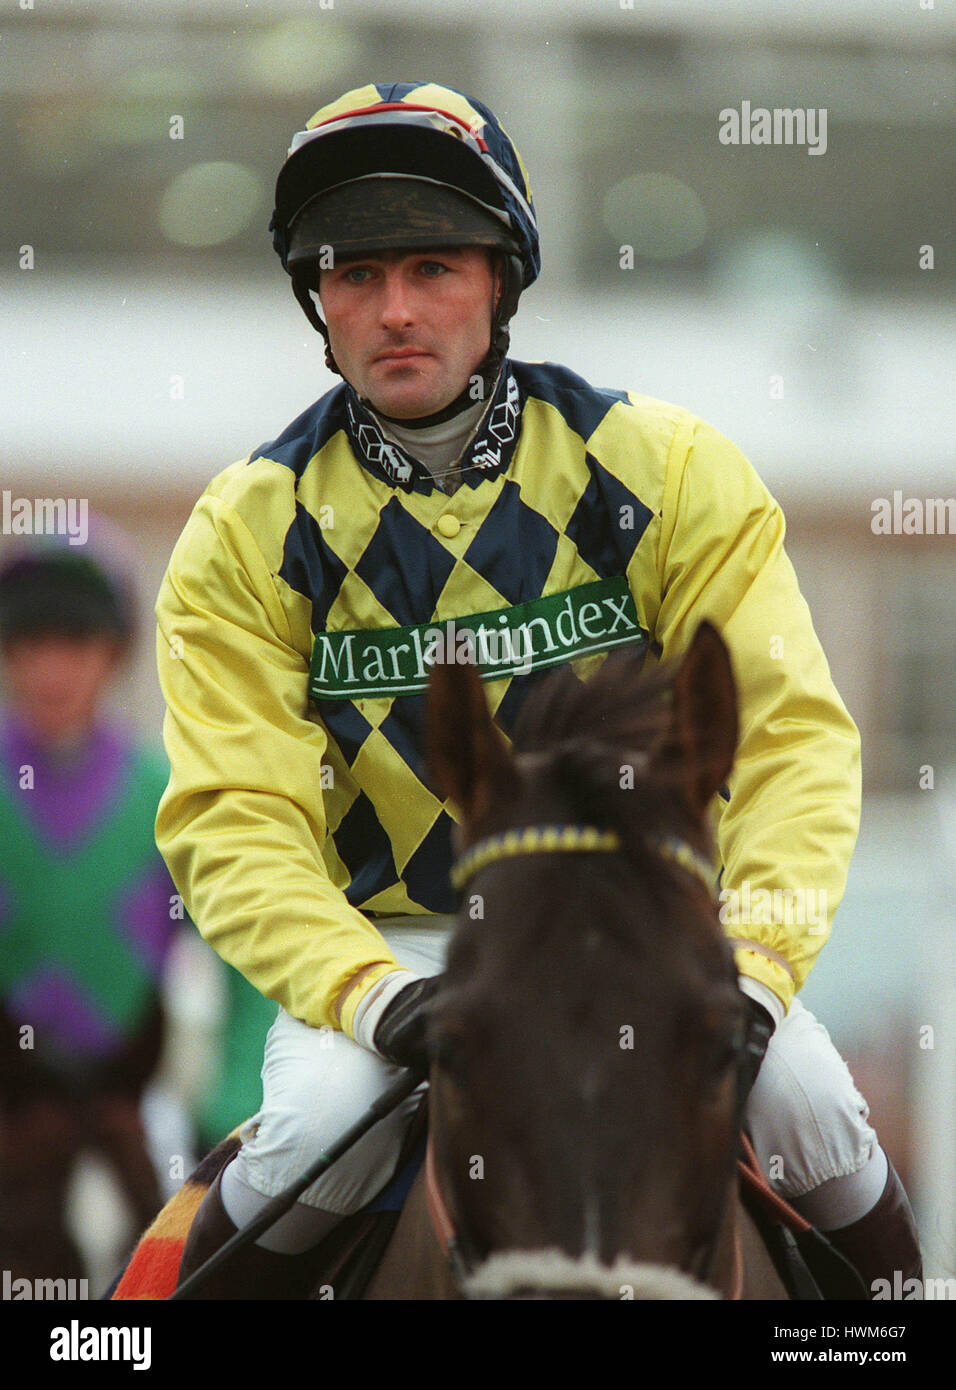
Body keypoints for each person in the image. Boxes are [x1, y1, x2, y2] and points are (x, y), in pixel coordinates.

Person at [160, 82, 920, 1297]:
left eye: (431, 266)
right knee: (310, 1138)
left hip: (653, 939)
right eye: (352, 275)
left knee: (818, 1115)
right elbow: (233, 818)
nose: (393, 309)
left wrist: (755, 965)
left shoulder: (665, 470)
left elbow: (787, 742)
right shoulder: (248, 532)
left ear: (501, 280)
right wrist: (367, 995)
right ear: (316, 301)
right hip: (394, 953)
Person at [0, 524, 180, 1285]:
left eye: (77, 640)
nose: (53, 667)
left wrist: (242, 1095)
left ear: (115, 653)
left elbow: (241, 956)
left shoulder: (166, 797)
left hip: (135, 1118)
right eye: (30, 641)